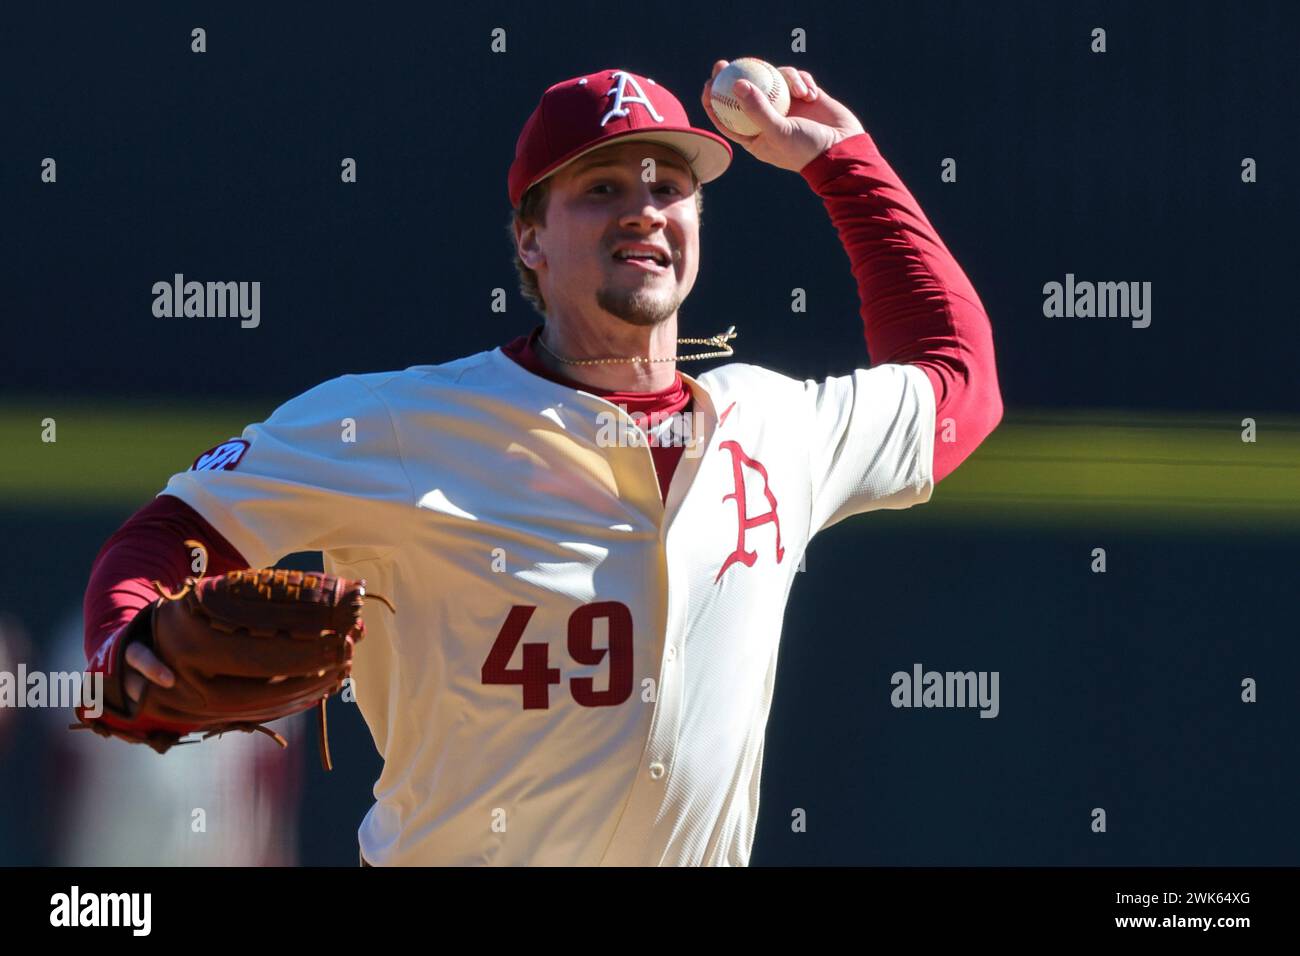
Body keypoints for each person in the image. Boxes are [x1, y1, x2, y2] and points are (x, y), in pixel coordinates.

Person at [81, 63, 1002, 866]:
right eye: (602, 188)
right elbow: (172, 531)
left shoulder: (771, 424)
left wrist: (841, 160)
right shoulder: (402, 425)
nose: (644, 208)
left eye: (669, 186)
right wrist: (126, 644)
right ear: (530, 239)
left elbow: (960, 384)